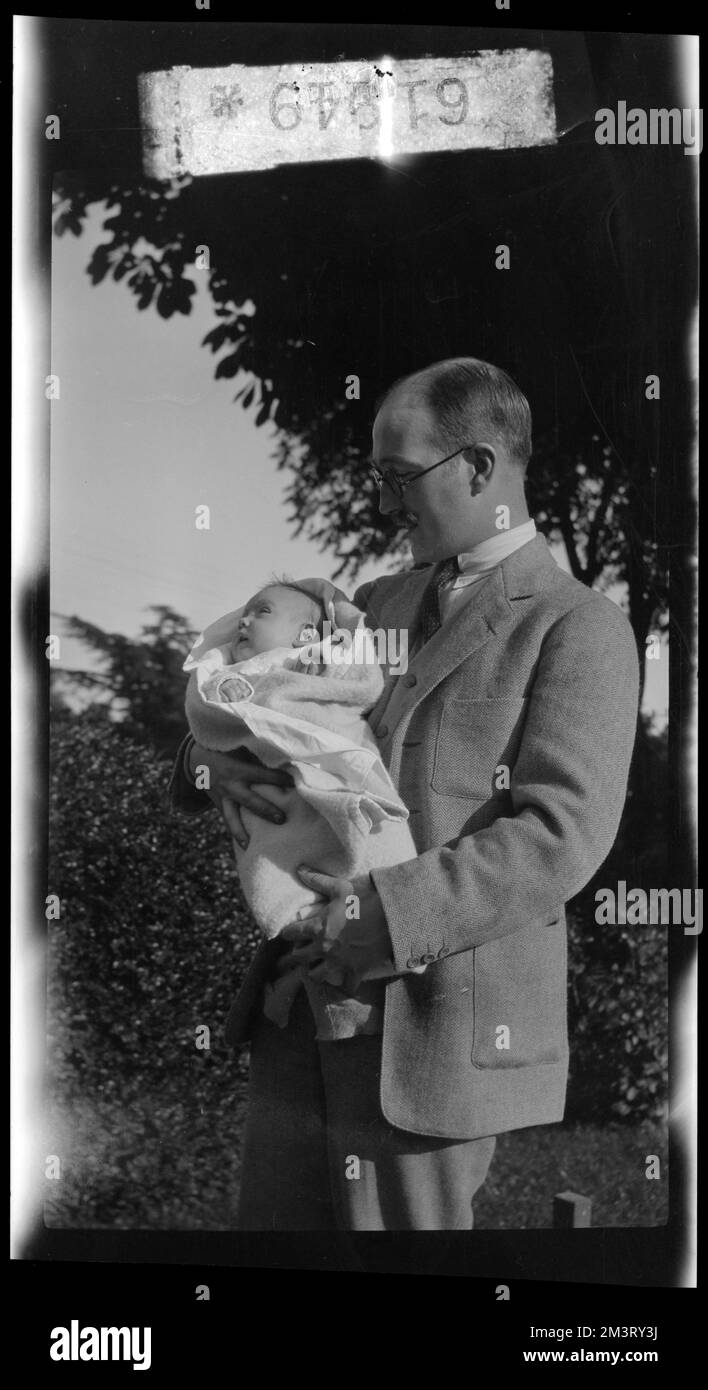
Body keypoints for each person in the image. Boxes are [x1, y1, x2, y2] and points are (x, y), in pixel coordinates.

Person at [169, 356, 640, 1231]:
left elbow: (560, 835)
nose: (384, 504)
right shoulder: (362, 607)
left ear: (478, 466)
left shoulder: (580, 627)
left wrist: (388, 913)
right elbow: (245, 708)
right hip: (296, 1013)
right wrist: (206, 759)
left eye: (398, 477)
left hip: (432, 1048)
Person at [181, 576, 419, 1039]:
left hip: (344, 791)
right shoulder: (380, 597)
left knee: (371, 863)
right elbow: (216, 716)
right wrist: (199, 754)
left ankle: (316, 981)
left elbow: (350, 689)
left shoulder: (324, 656)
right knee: (289, 892)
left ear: (309, 635)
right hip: (279, 810)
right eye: (245, 612)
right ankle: (295, 972)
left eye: (261, 611)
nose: (244, 620)